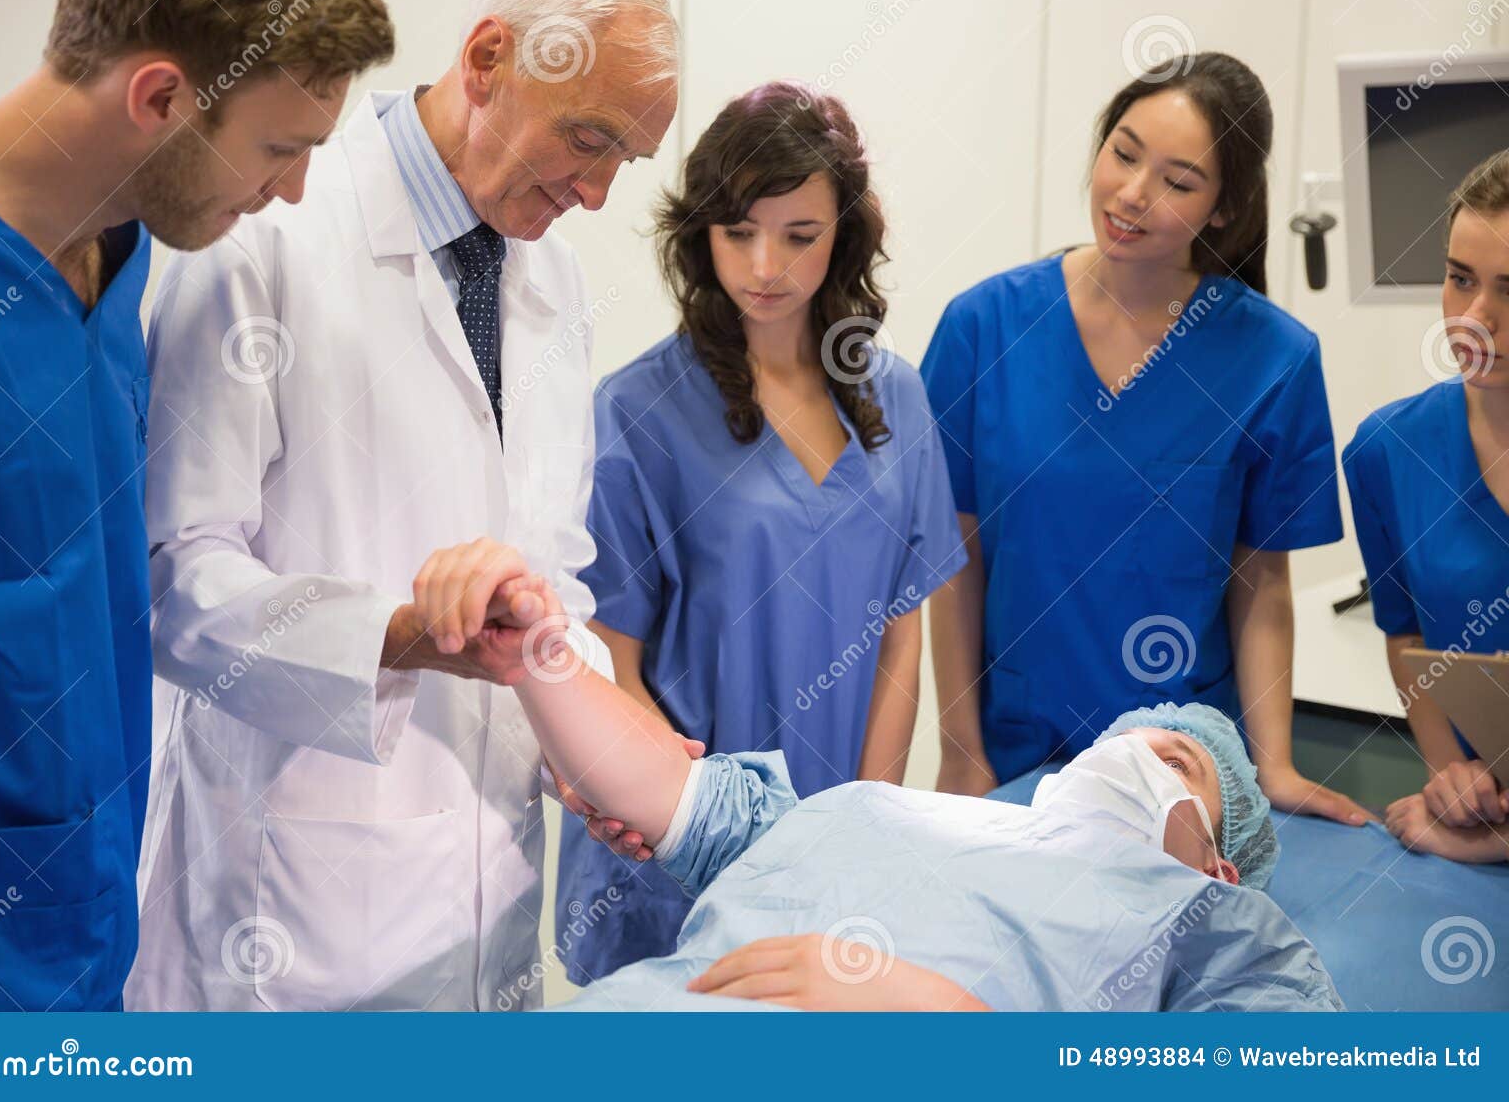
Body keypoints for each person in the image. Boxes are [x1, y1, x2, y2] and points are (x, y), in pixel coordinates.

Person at [126, 0, 680, 1011]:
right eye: (588, 139)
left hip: (488, 903)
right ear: (485, 60)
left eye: (627, 159)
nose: (599, 193)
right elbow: (172, 578)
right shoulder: (268, 226)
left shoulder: (550, 274)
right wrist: (398, 637)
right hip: (288, 918)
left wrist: (594, 744)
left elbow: (551, 566)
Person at [0, 0, 393, 1011]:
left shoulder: (119, 258)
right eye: (280, 148)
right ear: (161, 96)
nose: (294, 192)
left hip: (83, 944)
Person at [556, 82, 967, 984]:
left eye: (799, 234)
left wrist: (864, 821)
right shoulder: (637, 412)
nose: (765, 264)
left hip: (842, 840)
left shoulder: (894, 400)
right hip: (675, 854)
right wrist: (708, 833)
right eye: (738, 231)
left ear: (844, 236)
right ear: (701, 233)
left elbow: (903, 627)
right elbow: (610, 667)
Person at [504, 583, 1337, 1012]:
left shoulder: (1211, 923)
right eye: (1117, 742)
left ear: (1218, 867)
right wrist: (531, 651)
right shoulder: (871, 809)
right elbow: (663, 789)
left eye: (1177, 762)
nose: (1133, 755)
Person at [920, 52, 1365, 827]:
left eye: (1179, 181)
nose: (1132, 194)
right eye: (1123, 153)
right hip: (1019, 761)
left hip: (1182, 777)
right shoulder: (982, 328)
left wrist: (1278, 766)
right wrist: (960, 745)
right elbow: (951, 557)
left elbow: (1261, 584)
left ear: (1224, 208)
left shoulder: (1273, 358)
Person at [1344, 149, 1509, 866]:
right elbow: (1407, 637)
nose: (1476, 316)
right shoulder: (1388, 450)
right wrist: (1454, 781)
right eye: (1459, 278)